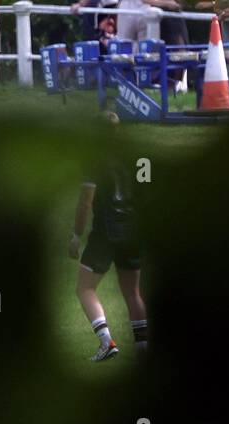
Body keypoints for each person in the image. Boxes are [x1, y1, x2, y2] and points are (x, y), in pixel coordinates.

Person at [67, 112, 148, 362]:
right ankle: (143, 348)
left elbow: (85, 204)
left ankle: (106, 342)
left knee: (85, 288)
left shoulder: (95, 160)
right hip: (132, 231)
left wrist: (76, 235)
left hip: (106, 232)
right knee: (132, 292)